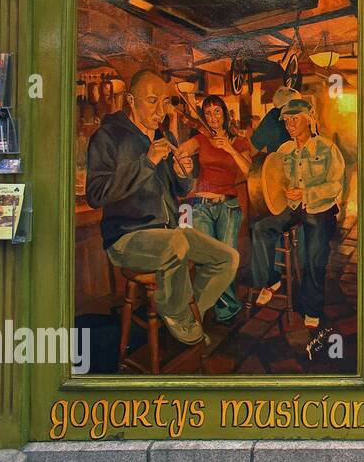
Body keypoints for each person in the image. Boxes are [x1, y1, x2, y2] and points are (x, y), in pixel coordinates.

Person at [85, 70, 239, 345]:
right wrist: (147, 161)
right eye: (152, 101)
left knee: (227, 258)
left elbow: (181, 190)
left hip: (169, 234)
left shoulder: (165, 135)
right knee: (177, 243)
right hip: (127, 238)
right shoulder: (107, 137)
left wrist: (184, 174)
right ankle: (177, 313)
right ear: (131, 101)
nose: (161, 110)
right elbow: (96, 195)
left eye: (165, 102)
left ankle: (189, 317)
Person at [250, 98, 345, 338]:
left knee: (313, 254)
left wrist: (307, 193)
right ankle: (272, 280)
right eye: (287, 120)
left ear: (308, 119)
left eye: (295, 119)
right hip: (293, 206)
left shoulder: (326, 148)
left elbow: (335, 185)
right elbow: (276, 178)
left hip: (319, 206)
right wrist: (282, 191)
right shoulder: (284, 151)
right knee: (261, 228)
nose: (290, 124)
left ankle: (311, 308)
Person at [177, 95, 253, 323]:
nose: (212, 117)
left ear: (225, 114)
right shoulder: (201, 138)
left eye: (216, 112)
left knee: (227, 257)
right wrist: (183, 161)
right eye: (208, 113)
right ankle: (209, 308)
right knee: (206, 258)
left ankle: (222, 307)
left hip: (228, 206)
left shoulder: (239, 142)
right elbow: (181, 151)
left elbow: (250, 172)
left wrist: (229, 148)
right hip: (200, 205)